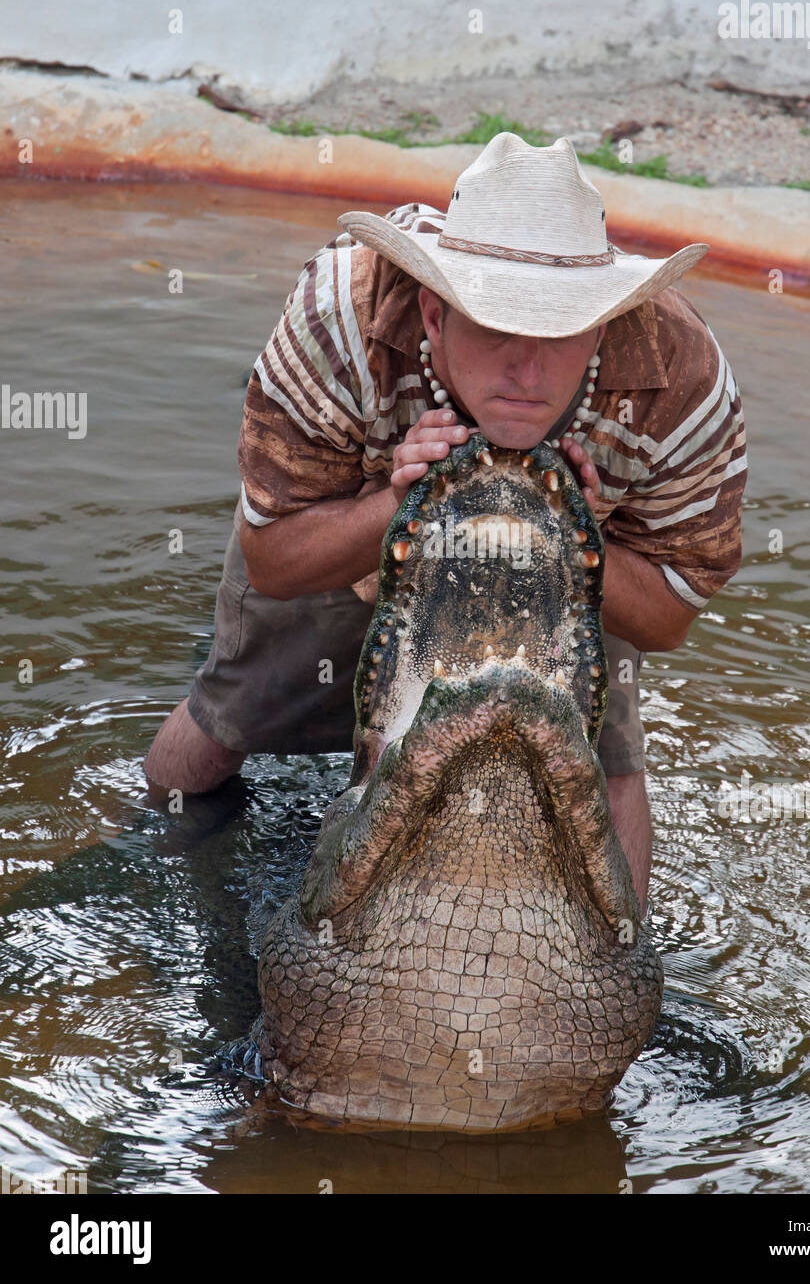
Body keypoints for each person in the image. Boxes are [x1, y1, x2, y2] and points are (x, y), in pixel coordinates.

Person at [145, 132, 747, 915]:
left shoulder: (686, 380)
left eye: (559, 331)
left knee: (612, 768)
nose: (528, 369)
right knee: (228, 716)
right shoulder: (339, 319)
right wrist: (397, 504)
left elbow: (670, 614)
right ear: (434, 312)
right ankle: (147, 873)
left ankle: (618, 975)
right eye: (497, 324)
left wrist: (575, 539)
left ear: (600, 327)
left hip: (578, 567)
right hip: (355, 516)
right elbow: (273, 560)